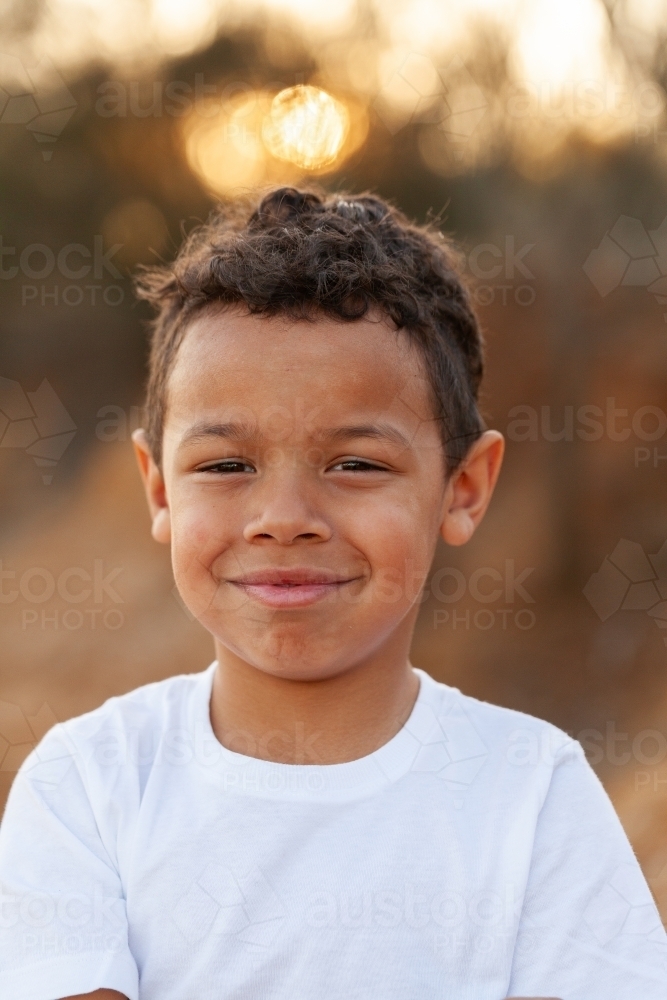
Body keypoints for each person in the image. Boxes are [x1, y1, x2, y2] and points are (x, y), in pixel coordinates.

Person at [0, 187, 665, 1000]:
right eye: (225, 465)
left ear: (463, 488)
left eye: (354, 464)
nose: (284, 520)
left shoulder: (533, 795)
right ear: (159, 489)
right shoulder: (88, 787)